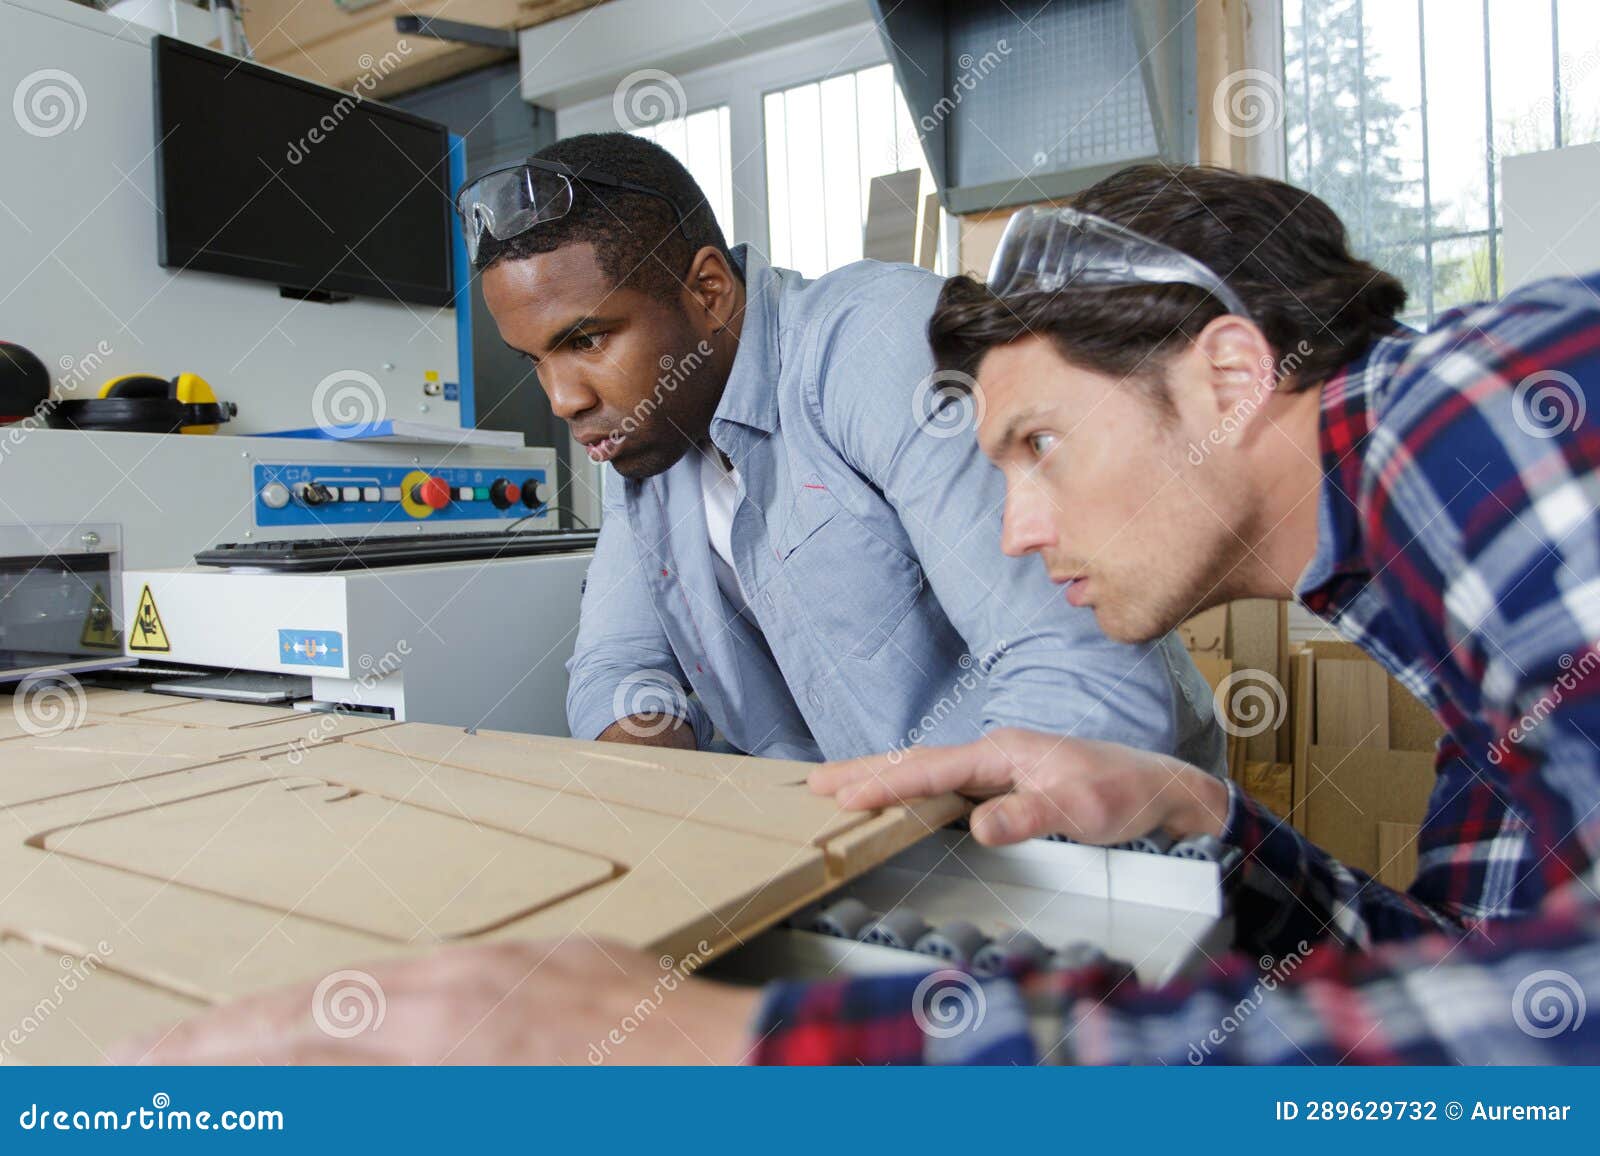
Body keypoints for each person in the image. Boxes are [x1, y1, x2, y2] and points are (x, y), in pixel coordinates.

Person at [117, 163, 1600, 1066]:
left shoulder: (1482, 420)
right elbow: (1478, 995)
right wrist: (1221, 829)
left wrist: (754, 1056)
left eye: (1036, 448)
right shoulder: (1414, 601)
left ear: (1224, 377)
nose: (1017, 524)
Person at [465, 132, 1220, 769]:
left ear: (708, 291)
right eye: (534, 360)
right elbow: (617, 671)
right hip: (886, 857)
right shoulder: (650, 436)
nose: (562, 398)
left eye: (587, 340)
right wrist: (671, 791)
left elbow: (1081, 687)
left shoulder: (876, 346)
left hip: (1096, 848)